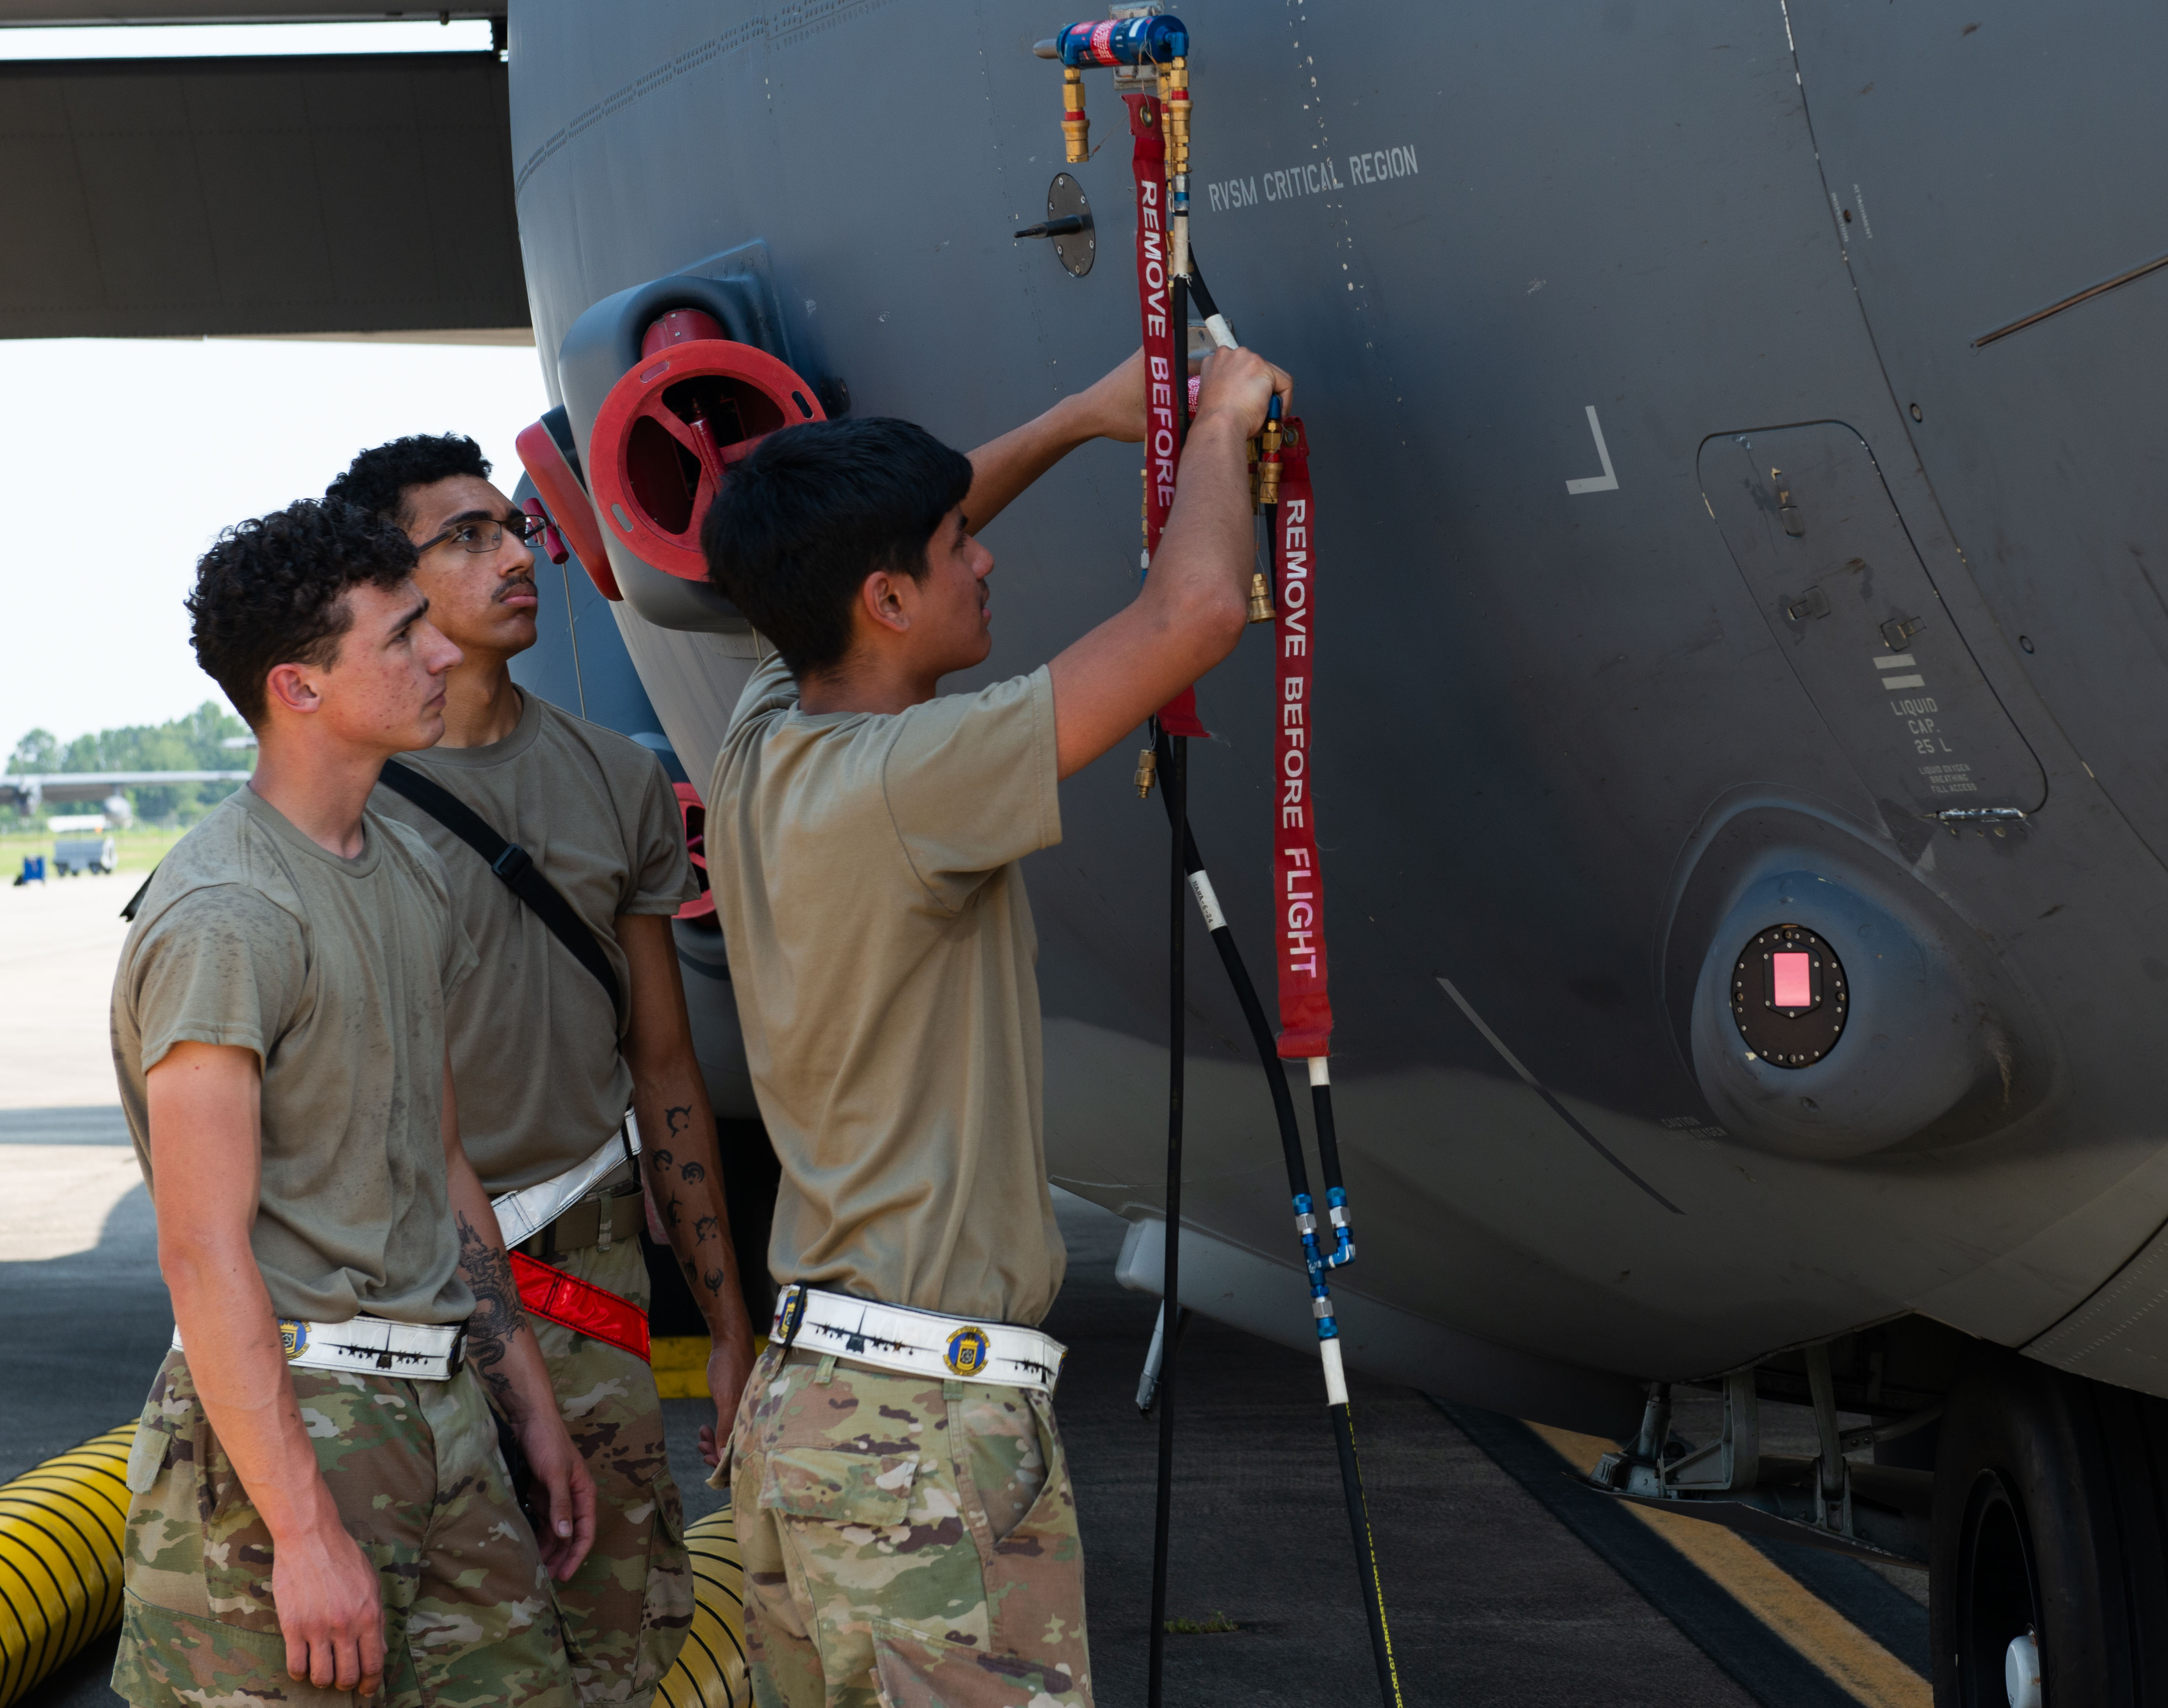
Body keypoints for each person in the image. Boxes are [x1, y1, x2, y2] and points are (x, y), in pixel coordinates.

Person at [701, 343, 1288, 1708]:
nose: (987, 562)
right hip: (923, 1437)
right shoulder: (908, 780)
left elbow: (866, 542)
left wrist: (1085, 418)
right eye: (959, 547)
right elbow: (1195, 611)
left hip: (818, 1423)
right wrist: (1218, 425)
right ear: (888, 598)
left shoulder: (760, 735)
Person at [110, 500, 594, 1708]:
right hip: (286, 1430)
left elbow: (438, 1164)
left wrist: (526, 1402)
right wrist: (305, 1531)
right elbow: (201, 1244)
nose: (441, 655)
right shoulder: (226, 913)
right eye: (401, 637)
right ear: (300, 687)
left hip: (441, 1416)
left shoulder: (412, 871)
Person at [328, 435, 758, 1705]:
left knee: (615, 1646)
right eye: (466, 536)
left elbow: (665, 1067)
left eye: (514, 527)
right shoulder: (346, 796)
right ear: (386, 581)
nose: (517, 555)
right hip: (399, 1296)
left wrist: (728, 1326)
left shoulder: (615, 779)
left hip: (587, 1276)